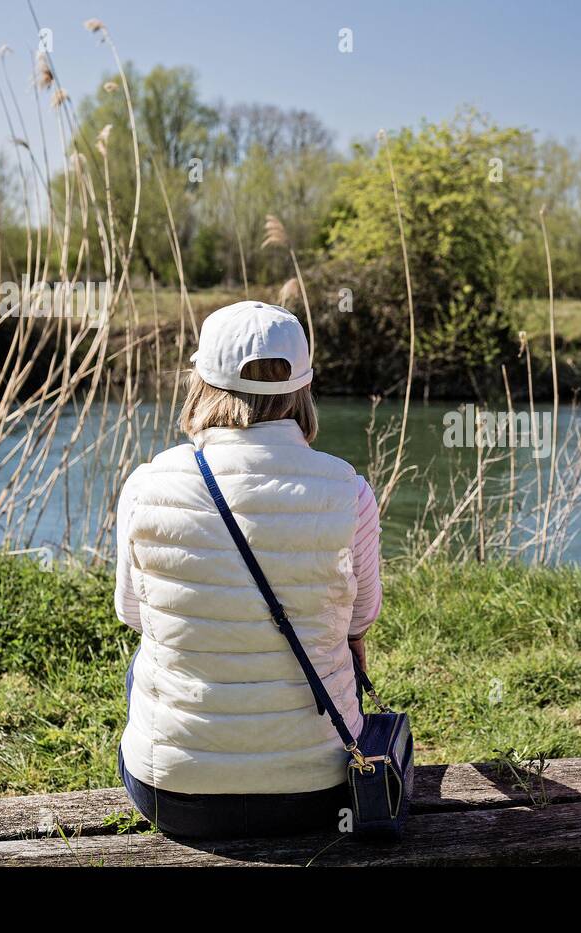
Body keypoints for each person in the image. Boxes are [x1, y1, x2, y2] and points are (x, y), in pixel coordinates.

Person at [113, 301, 382, 837]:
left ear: (201, 383)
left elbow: (133, 613)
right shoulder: (347, 488)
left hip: (173, 795)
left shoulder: (147, 484)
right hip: (319, 791)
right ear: (302, 388)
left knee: (147, 661)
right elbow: (361, 616)